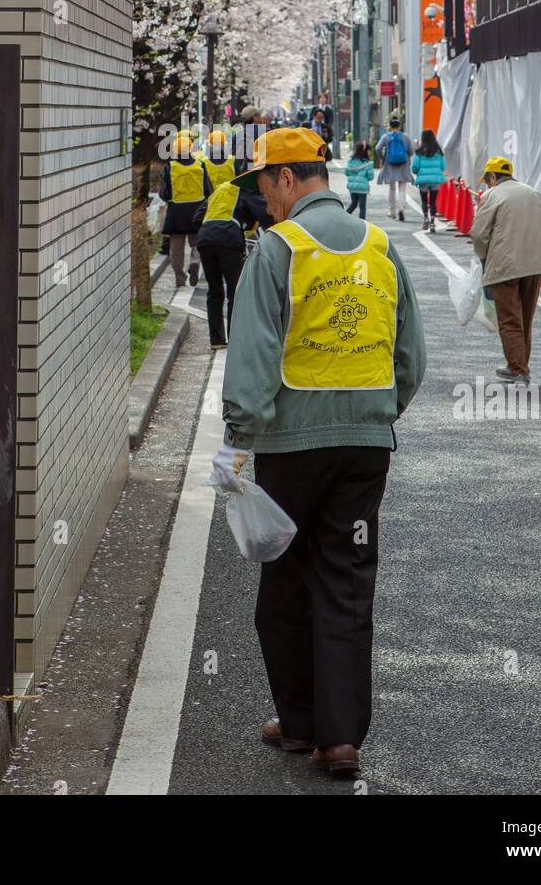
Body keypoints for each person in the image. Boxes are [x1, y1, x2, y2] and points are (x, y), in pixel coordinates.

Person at [211, 127, 426, 775]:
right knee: (346, 584)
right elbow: (410, 357)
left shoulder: (278, 250)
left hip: (290, 450)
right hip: (364, 450)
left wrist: (236, 440)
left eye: (265, 188)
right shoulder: (381, 245)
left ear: (285, 179)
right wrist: (372, 411)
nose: (265, 204)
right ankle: (341, 740)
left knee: (285, 583)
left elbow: (251, 354)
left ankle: (300, 723)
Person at [470, 155, 541, 383]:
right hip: (533, 266)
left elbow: (479, 233)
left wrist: (484, 258)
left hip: (505, 264)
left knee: (509, 318)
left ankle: (518, 369)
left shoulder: (491, 195)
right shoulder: (532, 192)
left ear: (492, 177)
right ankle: (520, 364)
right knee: (525, 318)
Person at [194, 178, 270, 349]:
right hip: (228, 239)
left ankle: (217, 340)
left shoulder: (220, 189)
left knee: (214, 291)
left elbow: (198, 216)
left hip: (205, 238)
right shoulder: (245, 191)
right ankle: (235, 338)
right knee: (235, 291)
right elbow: (264, 214)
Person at [158, 131, 213, 288]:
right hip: (196, 211)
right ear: (190, 149)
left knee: (176, 251)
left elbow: (163, 193)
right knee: (197, 244)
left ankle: (179, 279)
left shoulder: (170, 167)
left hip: (176, 213)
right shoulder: (200, 165)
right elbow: (208, 190)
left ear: (175, 151)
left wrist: (171, 199)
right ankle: (195, 262)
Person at [375, 114, 413, 221]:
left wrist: (382, 157)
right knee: (402, 189)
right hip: (403, 165)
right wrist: (406, 157)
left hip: (390, 165)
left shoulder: (386, 137)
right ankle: (401, 209)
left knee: (392, 189)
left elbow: (377, 148)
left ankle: (392, 211)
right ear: (399, 125)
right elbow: (411, 151)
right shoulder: (405, 137)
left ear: (390, 126)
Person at [411, 129, 446, 233]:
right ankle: (432, 222)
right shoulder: (439, 152)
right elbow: (443, 166)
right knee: (433, 201)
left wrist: (417, 172)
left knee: (424, 201)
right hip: (435, 180)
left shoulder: (419, 152)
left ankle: (426, 218)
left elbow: (415, 167)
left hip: (423, 180)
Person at [344, 141, 375, 218]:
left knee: (354, 204)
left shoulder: (350, 162)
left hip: (352, 187)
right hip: (362, 188)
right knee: (362, 206)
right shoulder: (367, 164)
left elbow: (346, 172)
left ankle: (344, 217)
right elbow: (370, 176)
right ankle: (362, 222)